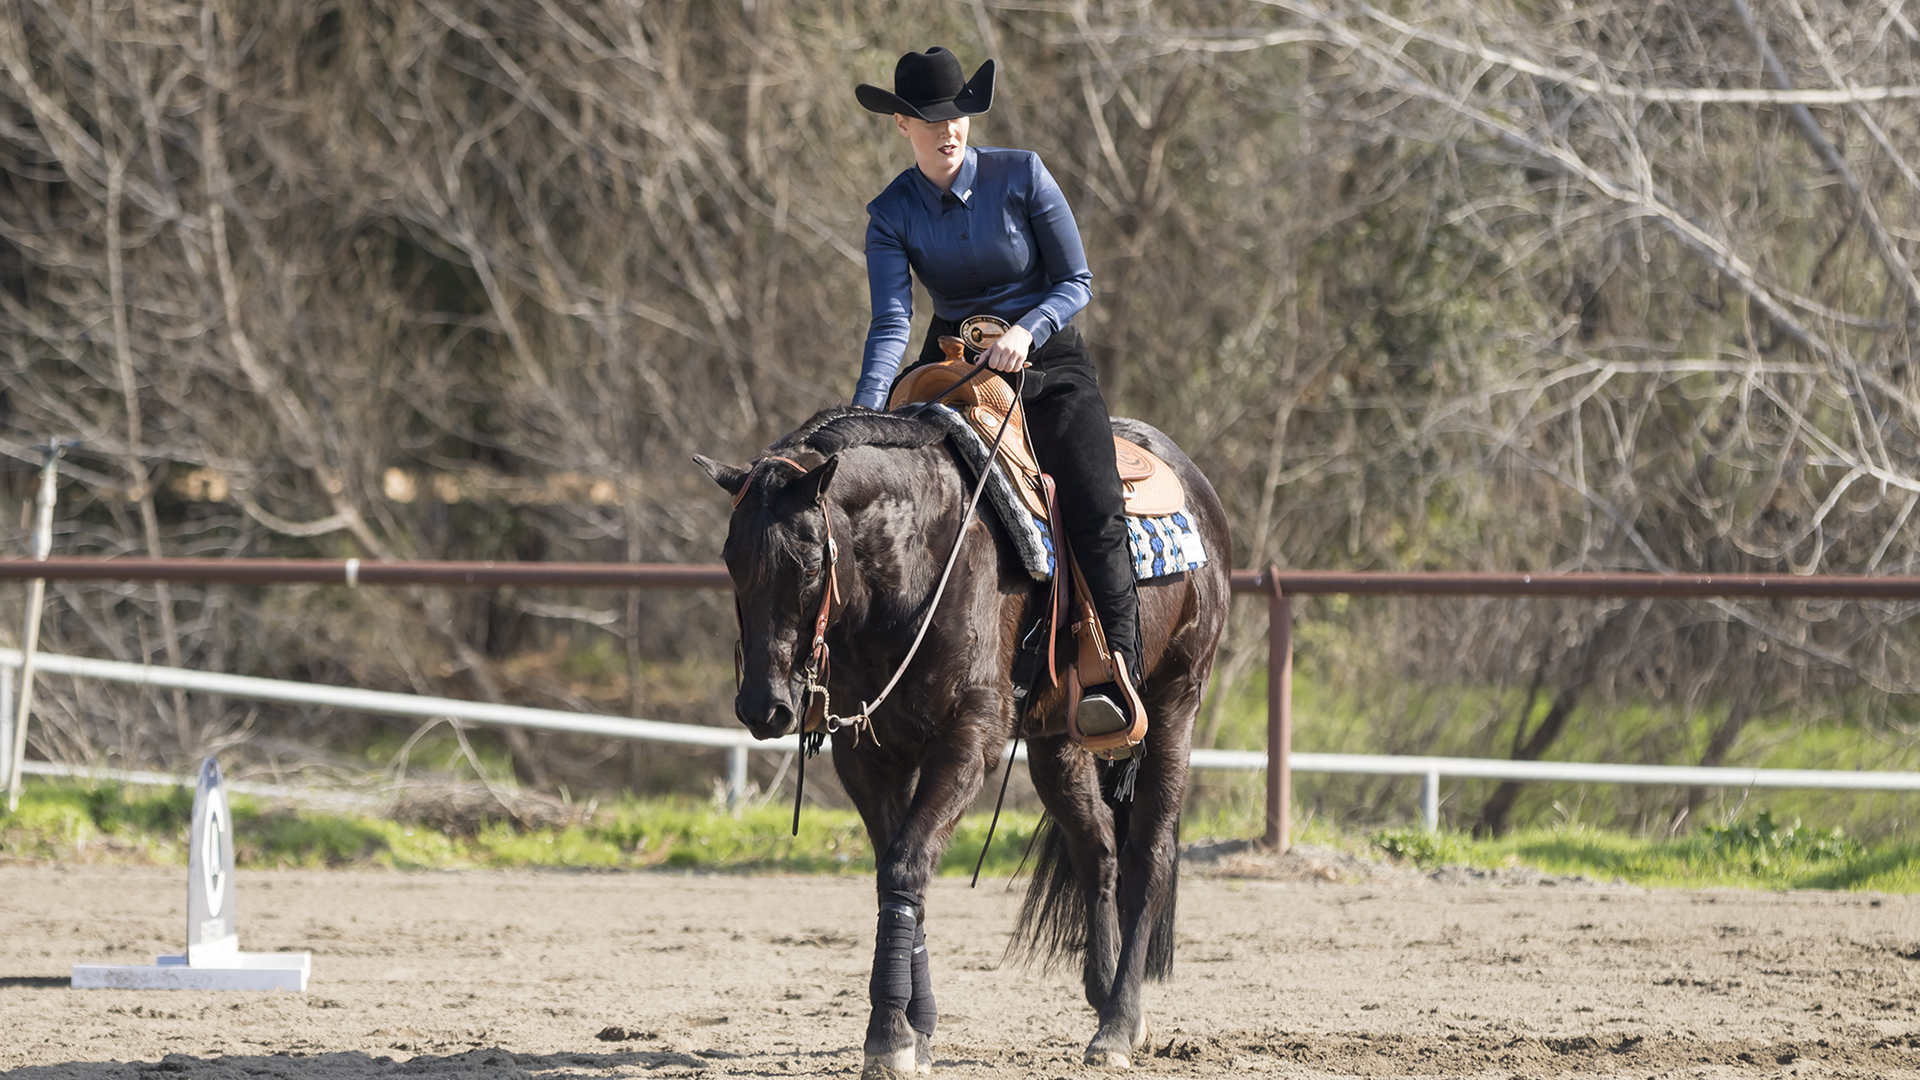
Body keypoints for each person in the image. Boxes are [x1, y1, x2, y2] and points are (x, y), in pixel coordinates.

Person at [853, 46, 1143, 738]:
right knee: (903, 495)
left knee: (1094, 500)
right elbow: (893, 319)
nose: (947, 129)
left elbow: (1077, 281)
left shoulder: (1024, 175)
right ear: (902, 126)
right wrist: (865, 410)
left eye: (956, 115)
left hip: (1046, 362)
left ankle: (1119, 679)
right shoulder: (890, 212)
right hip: (952, 362)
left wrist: (1029, 329)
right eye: (929, 119)